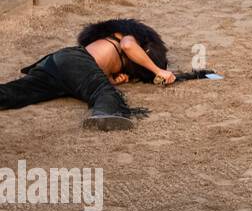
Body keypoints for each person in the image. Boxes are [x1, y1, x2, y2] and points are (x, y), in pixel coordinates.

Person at [1, 19, 174, 130]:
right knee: (105, 93)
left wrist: (111, 79)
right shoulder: (129, 37)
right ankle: (103, 114)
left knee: (20, 91)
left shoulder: (101, 41)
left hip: (57, 62)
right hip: (77, 61)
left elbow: (90, 75)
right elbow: (128, 45)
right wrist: (158, 71)